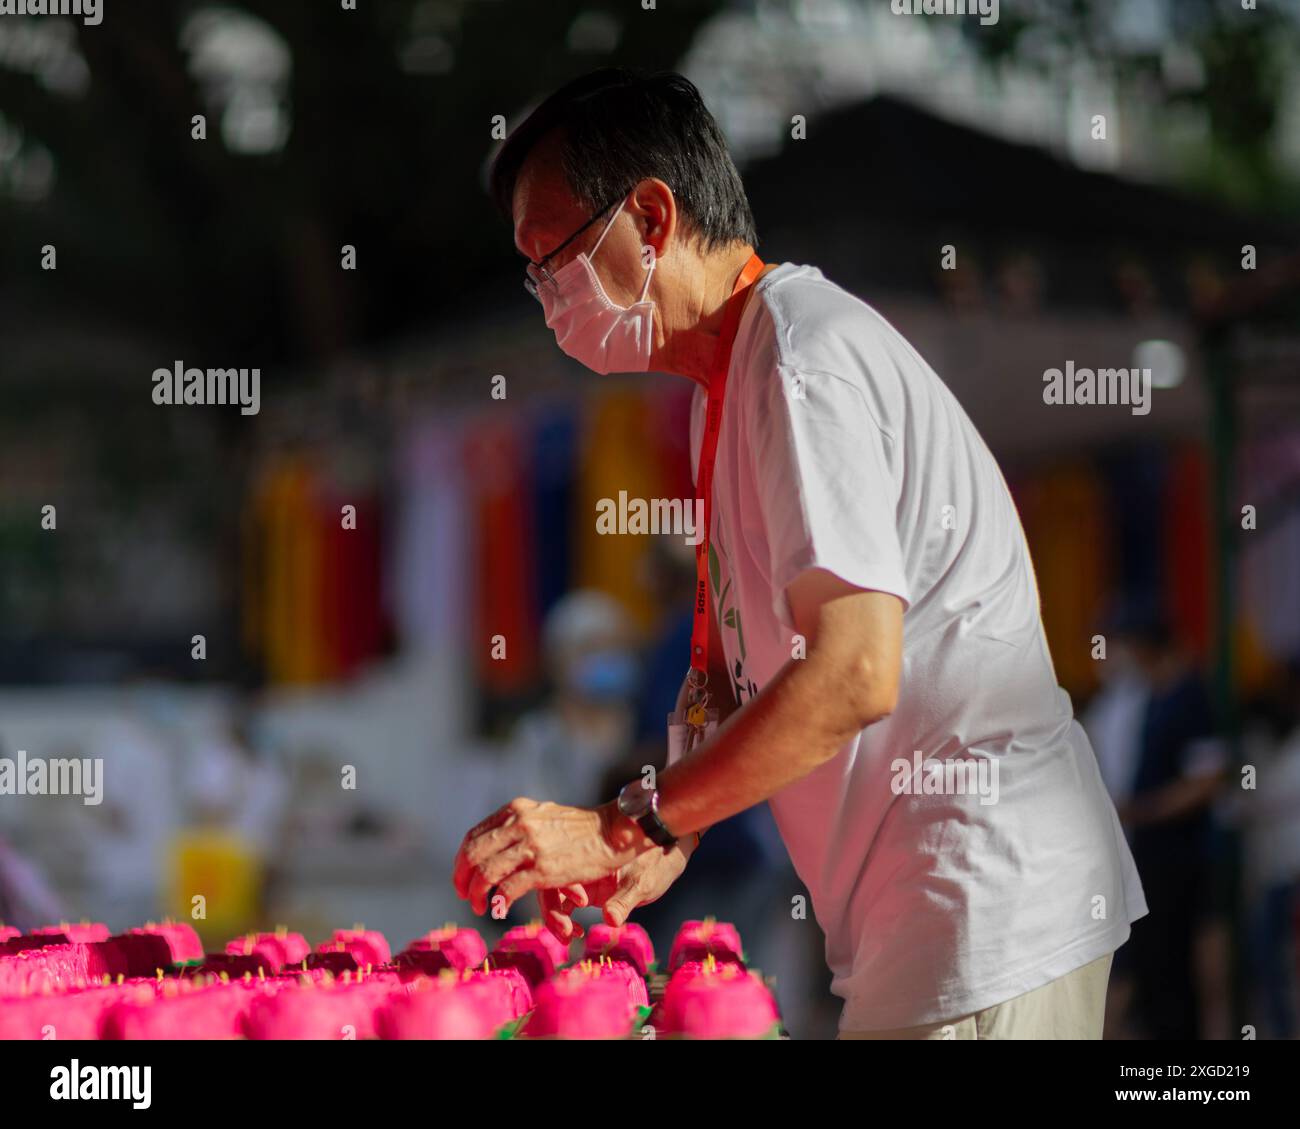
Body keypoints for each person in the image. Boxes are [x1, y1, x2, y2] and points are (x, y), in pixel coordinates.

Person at [453, 68, 1146, 1038]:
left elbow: (854, 670)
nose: (546, 297)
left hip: (980, 897)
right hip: (931, 911)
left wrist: (625, 825)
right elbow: (746, 672)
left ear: (651, 216)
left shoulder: (799, 356)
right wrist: (667, 825)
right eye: (532, 275)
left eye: (554, 258)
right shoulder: (728, 387)